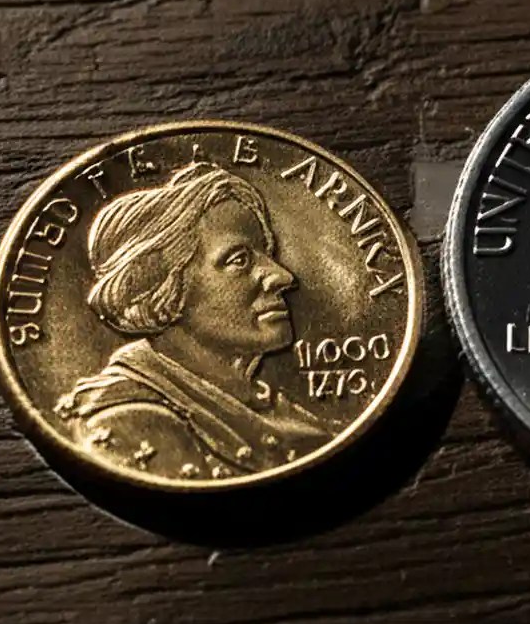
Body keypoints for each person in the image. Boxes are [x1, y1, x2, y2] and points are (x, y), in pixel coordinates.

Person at [55, 162, 328, 479]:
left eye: (267, 254)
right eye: (239, 259)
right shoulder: (125, 423)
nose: (282, 277)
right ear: (162, 287)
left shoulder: (279, 411)